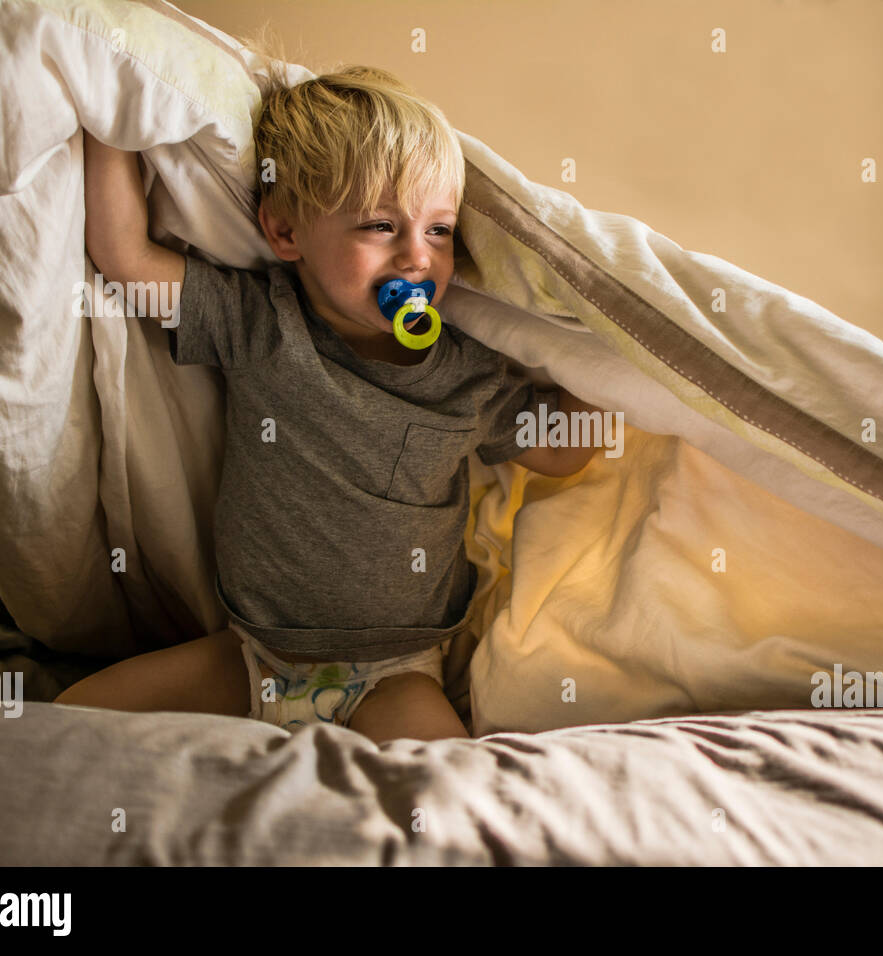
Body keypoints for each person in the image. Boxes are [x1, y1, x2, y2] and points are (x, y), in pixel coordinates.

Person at [54, 65, 602, 744]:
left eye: (439, 231)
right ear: (287, 235)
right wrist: (107, 110)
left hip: (395, 672)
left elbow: (564, 450)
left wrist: (586, 341)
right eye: (379, 226)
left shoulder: (465, 376)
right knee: (67, 725)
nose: (416, 259)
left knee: (449, 795)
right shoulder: (260, 325)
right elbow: (124, 256)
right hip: (251, 655)